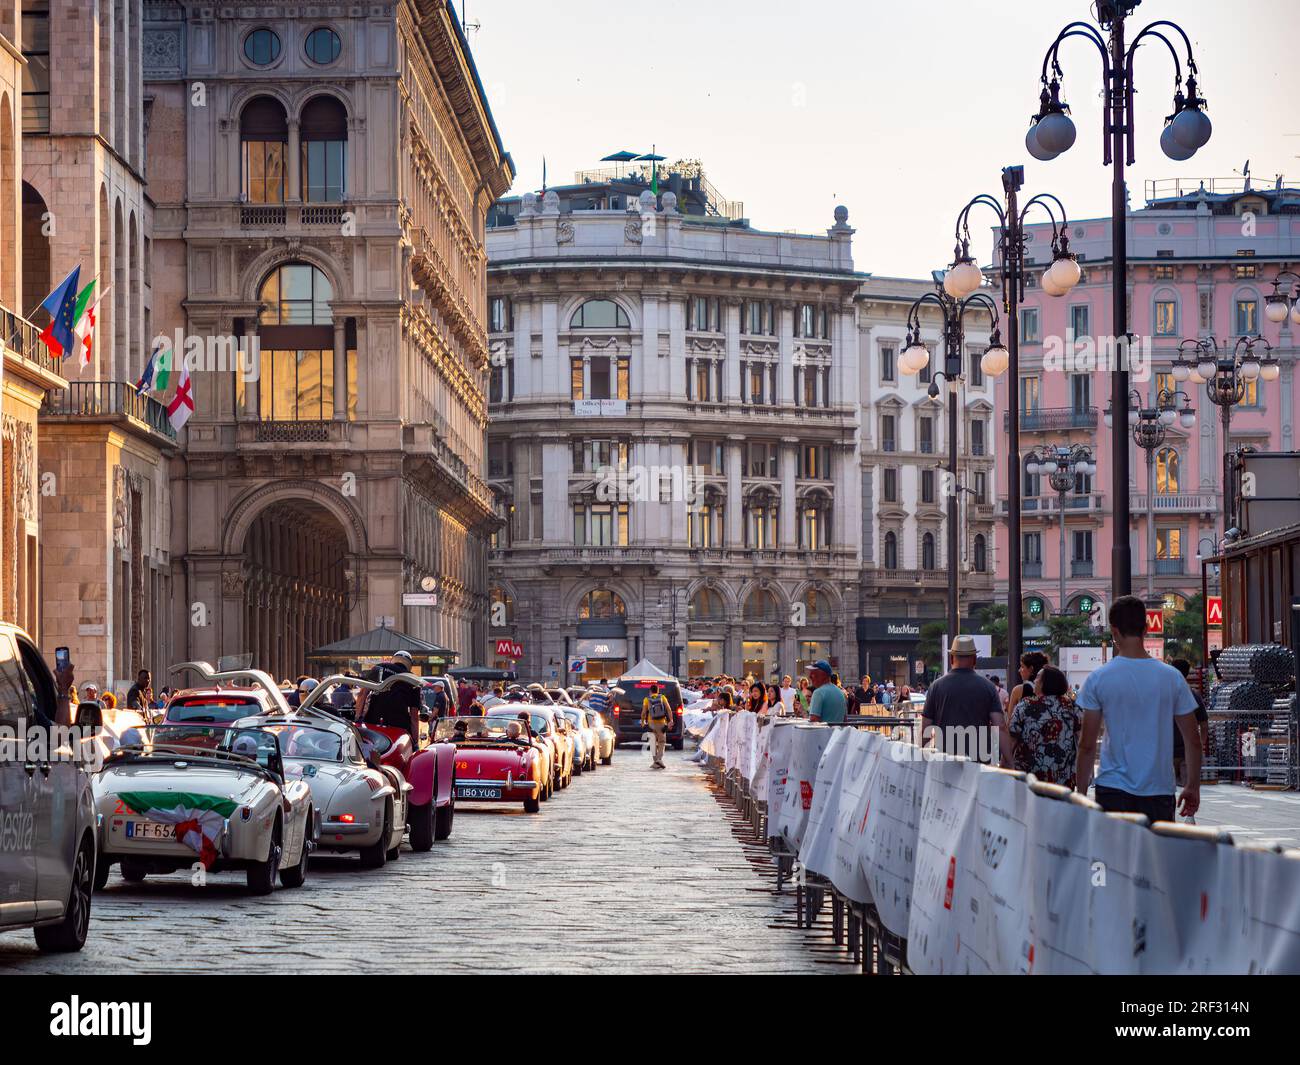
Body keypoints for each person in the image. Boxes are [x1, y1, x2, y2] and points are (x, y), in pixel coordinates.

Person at [1075, 596, 1201, 822]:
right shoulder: (1172, 678)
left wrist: (1081, 795)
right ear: (1146, 628)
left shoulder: (1098, 679)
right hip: (1158, 790)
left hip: (1112, 788)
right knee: (1155, 847)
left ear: (1114, 631)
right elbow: (1193, 740)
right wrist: (1192, 785)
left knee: (1116, 846)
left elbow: (1086, 745)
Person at [921, 635, 1003, 761]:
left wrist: (923, 755)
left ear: (951, 658)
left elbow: (926, 728)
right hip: (979, 760)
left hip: (945, 759)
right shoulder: (988, 687)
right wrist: (1008, 760)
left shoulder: (936, 687)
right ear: (974, 659)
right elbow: (1000, 726)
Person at [1006, 665, 1081, 787]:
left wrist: (1004, 767)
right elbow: (1081, 741)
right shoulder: (1072, 706)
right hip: (1063, 780)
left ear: (1046, 683)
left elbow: (1011, 740)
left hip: (1029, 780)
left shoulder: (1025, 705)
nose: (1034, 681)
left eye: (1038, 677)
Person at [1169, 658, 1210, 788]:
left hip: (1167, 751)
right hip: (1188, 752)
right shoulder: (1194, 695)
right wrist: (1200, 746)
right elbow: (1204, 725)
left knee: (1166, 791)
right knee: (1188, 788)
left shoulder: (1163, 695)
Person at [640, 682, 673, 769]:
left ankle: (656, 761)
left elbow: (643, 712)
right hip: (661, 723)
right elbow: (669, 709)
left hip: (651, 723)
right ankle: (659, 759)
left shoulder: (646, 699)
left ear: (650, 691)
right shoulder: (662, 697)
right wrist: (671, 720)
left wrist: (642, 722)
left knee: (652, 742)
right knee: (661, 742)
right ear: (658, 691)